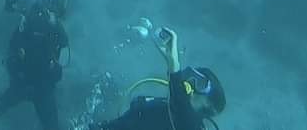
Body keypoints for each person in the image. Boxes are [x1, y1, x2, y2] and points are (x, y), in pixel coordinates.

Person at [0, 0, 71, 130]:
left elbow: (13, 45)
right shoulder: (53, 26)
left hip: (22, 80)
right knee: (52, 125)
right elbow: (64, 58)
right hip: (43, 87)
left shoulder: (28, 21)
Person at [91, 26, 226, 130]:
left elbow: (182, 107)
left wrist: (174, 64)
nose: (192, 84)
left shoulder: (192, 125)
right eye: (192, 77)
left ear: (209, 104)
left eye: (201, 84)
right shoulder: (172, 106)